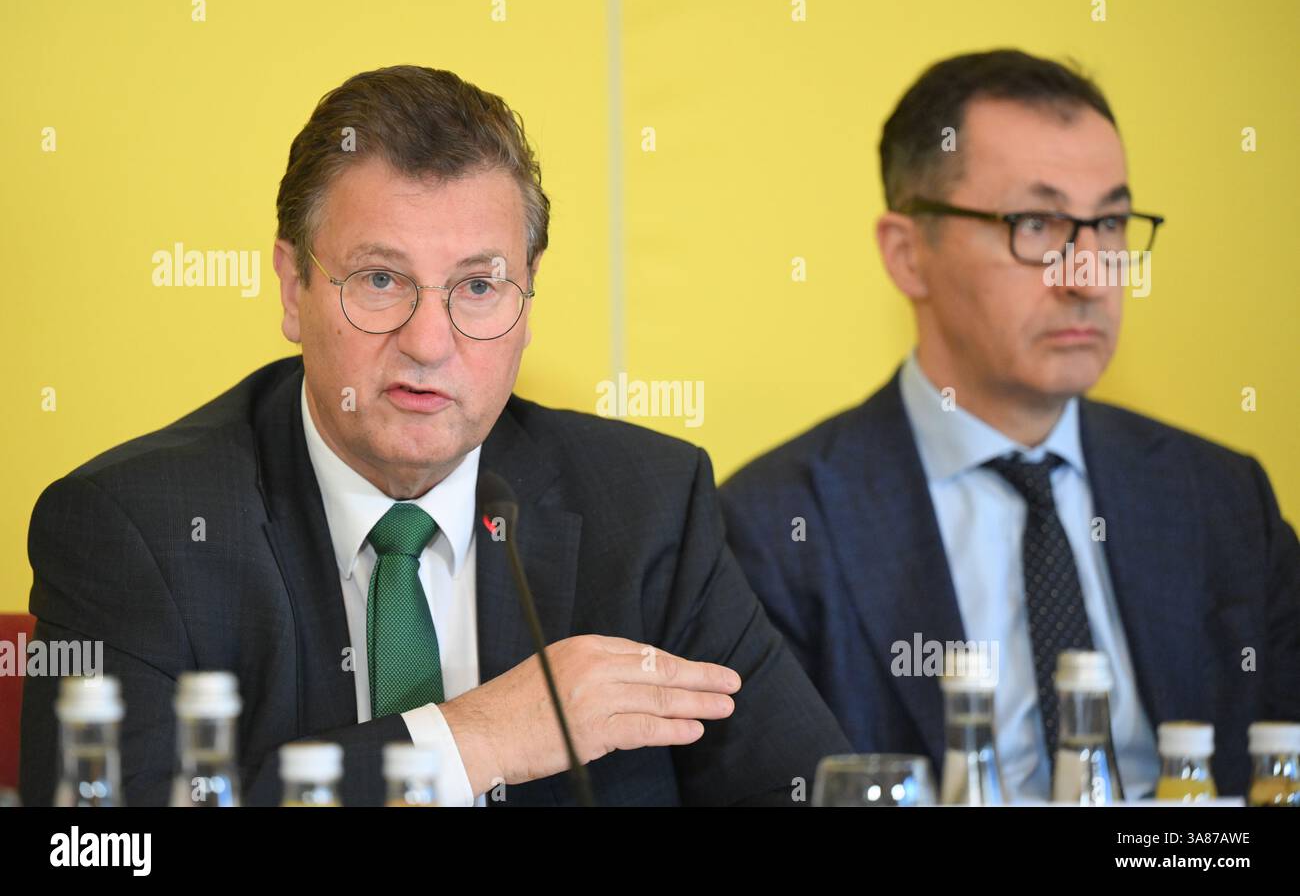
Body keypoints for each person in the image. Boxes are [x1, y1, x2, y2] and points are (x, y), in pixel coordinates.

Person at [21, 65, 849, 807]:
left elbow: (812, 792)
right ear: (291, 286)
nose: (429, 341)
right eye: (381, 280)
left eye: (478, 287)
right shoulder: (135, 528)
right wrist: (473, 738)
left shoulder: (647, 508)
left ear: (527, 304)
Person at [720, 49, 1300, 800]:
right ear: (908, 255)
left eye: (1112, 223)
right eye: (1036, 223)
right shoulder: (778, 526)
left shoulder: (1221, 498)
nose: (1087, 274)